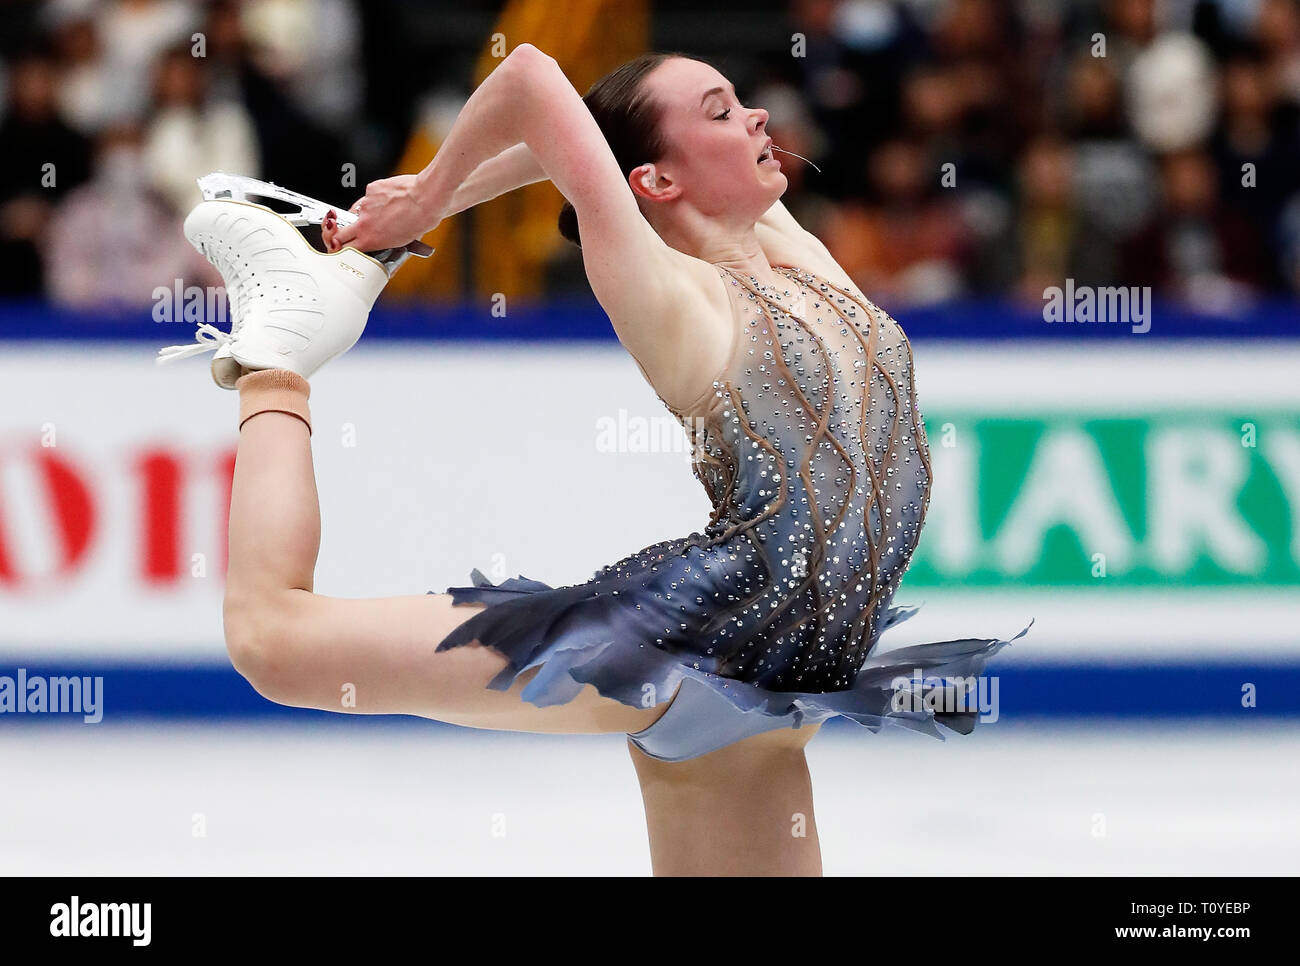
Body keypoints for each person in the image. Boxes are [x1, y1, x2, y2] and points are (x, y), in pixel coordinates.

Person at [163, 45, 1027, 876]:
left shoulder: (790, 249)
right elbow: (535, 81)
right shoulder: (676, 292)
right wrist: (428, 198)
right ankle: (279, 351)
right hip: (688, 644)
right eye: (721, 112)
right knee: (272, 640)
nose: (758, 113)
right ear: (657, 184)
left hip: (768, 692)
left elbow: (585, 142)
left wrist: (399, 221)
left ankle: (321, 282)